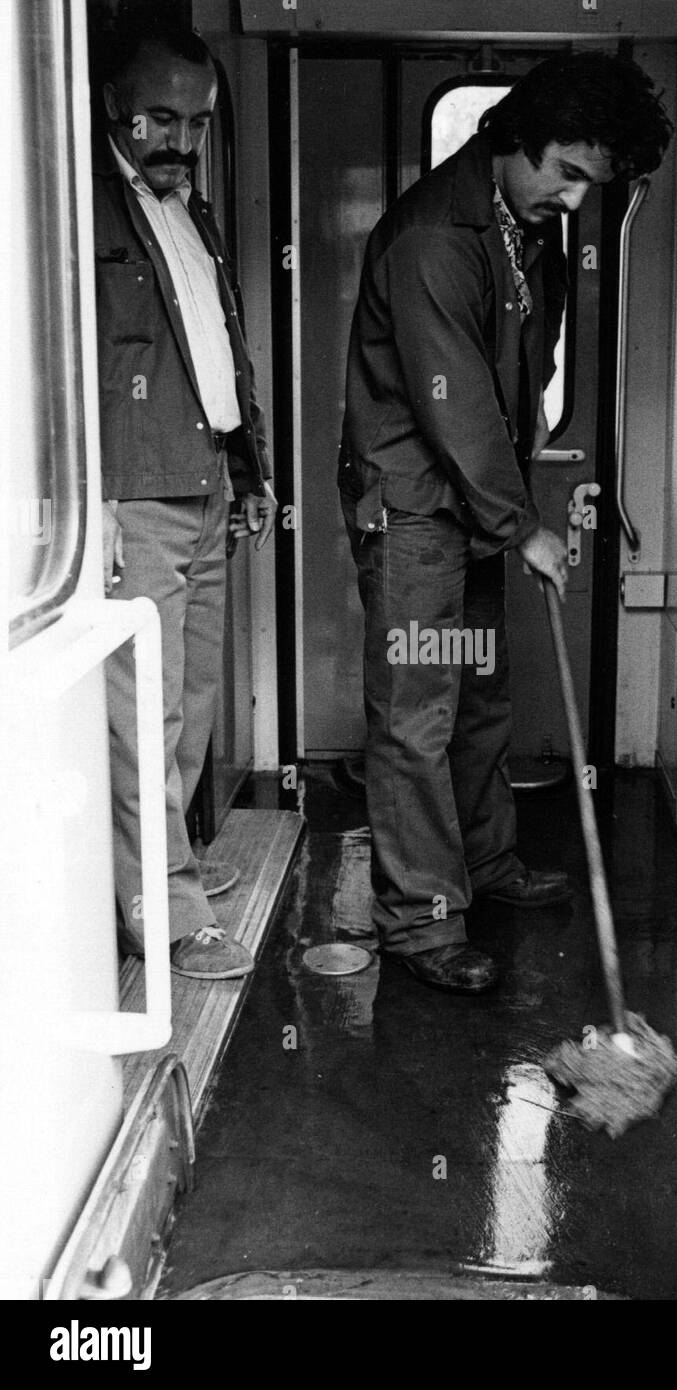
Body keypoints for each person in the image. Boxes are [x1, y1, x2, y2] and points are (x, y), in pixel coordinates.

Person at [339, 52, 672, 994]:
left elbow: (519, 382)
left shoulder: (527, 228)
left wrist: (512, 511)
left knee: (479, 694)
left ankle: (483, 867)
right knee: (415, 717)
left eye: (589, 183)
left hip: (476, 501)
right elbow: (452, 402)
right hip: (411, 506)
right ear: (513, 137)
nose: (572, 197)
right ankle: (421, 920)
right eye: (565, 171)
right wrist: (519, 519)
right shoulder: (432, 238)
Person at [94, 22, 277, 979]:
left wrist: (249, 471)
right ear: (114, 108)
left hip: (207, 481)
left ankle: (180, 870)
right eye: (159, 118)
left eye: (195, 122)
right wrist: (91, 511)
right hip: (137, 496)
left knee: (194, 697)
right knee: (146, 714)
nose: (178, 140)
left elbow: (215, 351)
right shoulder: (84, 217)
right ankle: (162, 912)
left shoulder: (188, 214)